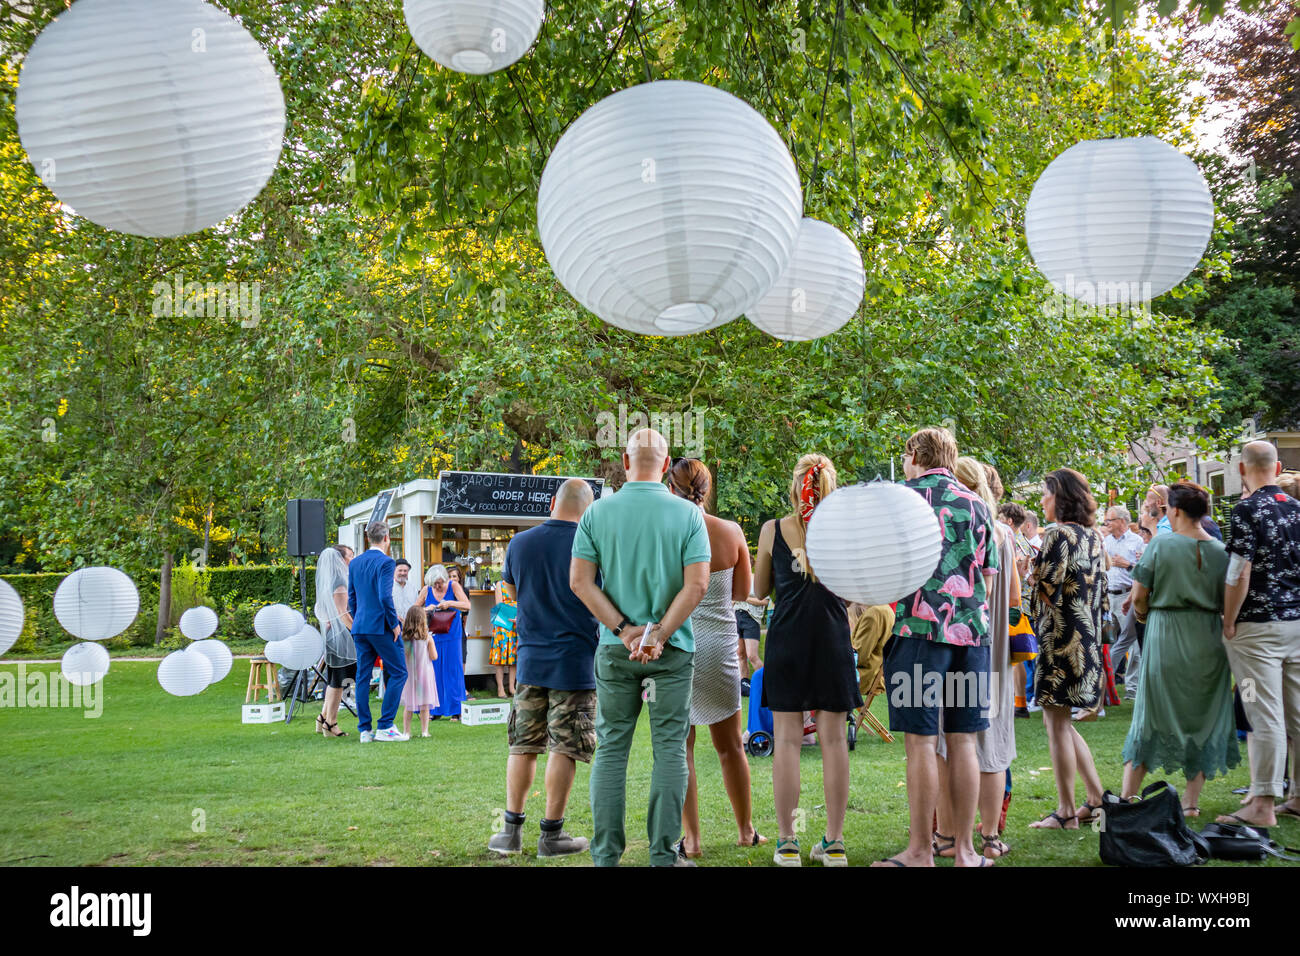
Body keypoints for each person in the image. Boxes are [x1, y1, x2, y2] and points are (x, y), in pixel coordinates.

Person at [570, 428, 711, 868]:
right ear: (666, 466)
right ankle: (663, 854)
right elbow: (698, 584)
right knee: (669, 748)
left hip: (615, 649)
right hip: (671, 652)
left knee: (611, 746)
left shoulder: (597, 513)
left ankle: (606, 855)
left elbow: (580, 582)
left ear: (625, 463)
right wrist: (660, 633)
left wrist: (624, 629)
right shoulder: (688, 516)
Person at [871, 431, 996, 869]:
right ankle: (965, 851)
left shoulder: (899, 502)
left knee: (921, 745)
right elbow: (989, 581)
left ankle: (920, 852)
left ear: (915, 456)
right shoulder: (978, 504)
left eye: (905, 455)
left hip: (917, 636)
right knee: (963, 742)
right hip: (971, 639)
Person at [754, 453, 861, 867]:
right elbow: (852, 591)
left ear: (796, 484)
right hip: (832, 638)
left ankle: (787, 842)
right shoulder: (844, 534)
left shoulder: (771, 530)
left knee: (786, 741)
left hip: (787, 639)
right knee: (834, 741)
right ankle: (834, 843)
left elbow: (761, 589)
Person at [487, 479, 599, 858]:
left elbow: (512, 596)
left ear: (552, 502)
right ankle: (552, 836)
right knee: (564, 746)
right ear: (589, 509)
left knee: (523, 745)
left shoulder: (519, 544)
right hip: (576, 660)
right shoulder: (592, 544)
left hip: (530, 659)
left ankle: (509, 833)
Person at [1121, 482, 1238, 815]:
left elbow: (1140, 594)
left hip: (1166, 632)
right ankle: (1190, 802)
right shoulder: (1220, 550)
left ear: (1174, 510)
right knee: (1202, 717)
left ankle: (1128, 796)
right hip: (1208, 636)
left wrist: (1142, 615)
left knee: (1151, 713)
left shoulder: (1160, 544)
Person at [667, 458, 764, 859]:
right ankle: (746, 830)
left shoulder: (664, 535)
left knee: (681, 749)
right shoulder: (730, 531)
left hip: (678, 644)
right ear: (707, 490)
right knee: (731, 748)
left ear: (669, 487)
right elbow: (742, 593)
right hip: (720, 647)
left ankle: (692, 839)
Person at [935, 458, 1018, 860]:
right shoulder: (1001, 533)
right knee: (992, 742)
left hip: (960, 641)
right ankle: (989, 836)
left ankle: (948, 833)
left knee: (949, 742)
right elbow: (1015, 598)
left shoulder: (954, 525)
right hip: (994, 646)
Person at [1218, 441, 1300, 828]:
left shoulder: (1246, 509)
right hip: (1296, 625)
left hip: (1257, 629)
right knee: (1297, 713)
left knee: (1260, 710)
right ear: (1278, 465)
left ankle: (1263, 800)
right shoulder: (1298, 508)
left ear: (1241, 470)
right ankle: (1297, 796)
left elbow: (1239, 571)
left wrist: (1229, 619)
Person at [1027, 469, 1106, 829]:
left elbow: (1046, 589)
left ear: (1059, 497)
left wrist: (1030, 574)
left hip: (1060, 636)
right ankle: (1095, 799)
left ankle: (1066, 812)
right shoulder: (1093, 537)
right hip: (1086, 636)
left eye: (1045, 493)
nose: (1041, 500)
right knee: (1062, 723)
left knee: (1055, 723)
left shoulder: (1057, 533)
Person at [347, 521, 407, 742]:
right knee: (400, 671)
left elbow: (352, 598)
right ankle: (386, 726)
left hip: (360, 625)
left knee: (362, 676)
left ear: (368, 538)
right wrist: (393, 623)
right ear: (386, 538)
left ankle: (364, 730)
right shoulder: (386, 562)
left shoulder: (355, 563)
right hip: (380, 626)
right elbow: (384, 596)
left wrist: (358, 618)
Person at [1103, 505, 1144, 703]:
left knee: (1133, 645)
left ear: (1121, 521)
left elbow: (1144, 570)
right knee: (1107, 641)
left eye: (1109, 520)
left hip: (1127, 597)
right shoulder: (1105, 542)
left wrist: (1127, 565)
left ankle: (1132, 689)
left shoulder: (1137, 542)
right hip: (1108, 599)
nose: (1106, 524)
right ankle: (1106, 688)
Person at [314, 544, 355, 739]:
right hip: (341, 637)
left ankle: (323, 718)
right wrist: (357, 631)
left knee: (334, 680)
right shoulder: (340, 581)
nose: (352, 560)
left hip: (333, 636)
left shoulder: (329, 580)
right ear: (340, 559)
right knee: (338, 682)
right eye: (350, 556)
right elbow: (342, 613)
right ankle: (331, 723)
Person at [421, 565, 470, 721]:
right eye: (434, 584)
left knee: (453, 671)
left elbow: (467, 605)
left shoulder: (453, 586)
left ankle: (456, 709)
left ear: (445, 578)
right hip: (433, 636)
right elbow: (414, 610)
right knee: (434, 671)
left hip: (452, 634)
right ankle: (435, 710)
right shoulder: (426, 590)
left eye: (440, 583)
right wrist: (425, 609)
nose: (437, 586)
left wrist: (450, 603)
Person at [400, 604, 439, 738]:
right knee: (424, 705)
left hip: (409, 675)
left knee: (409, 706)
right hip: (424, 674)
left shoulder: (403, 638)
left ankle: (406, 732)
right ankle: (424, 731)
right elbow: (434, 656)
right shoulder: (427, 637)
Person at [490, 578, 518, 698]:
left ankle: (512, 687)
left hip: (517, 623)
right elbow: (499, 605)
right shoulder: (500, 584)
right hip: (502, 624)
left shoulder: (521, 583)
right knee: (499, 658)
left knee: (514, 657)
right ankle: (500, 688)